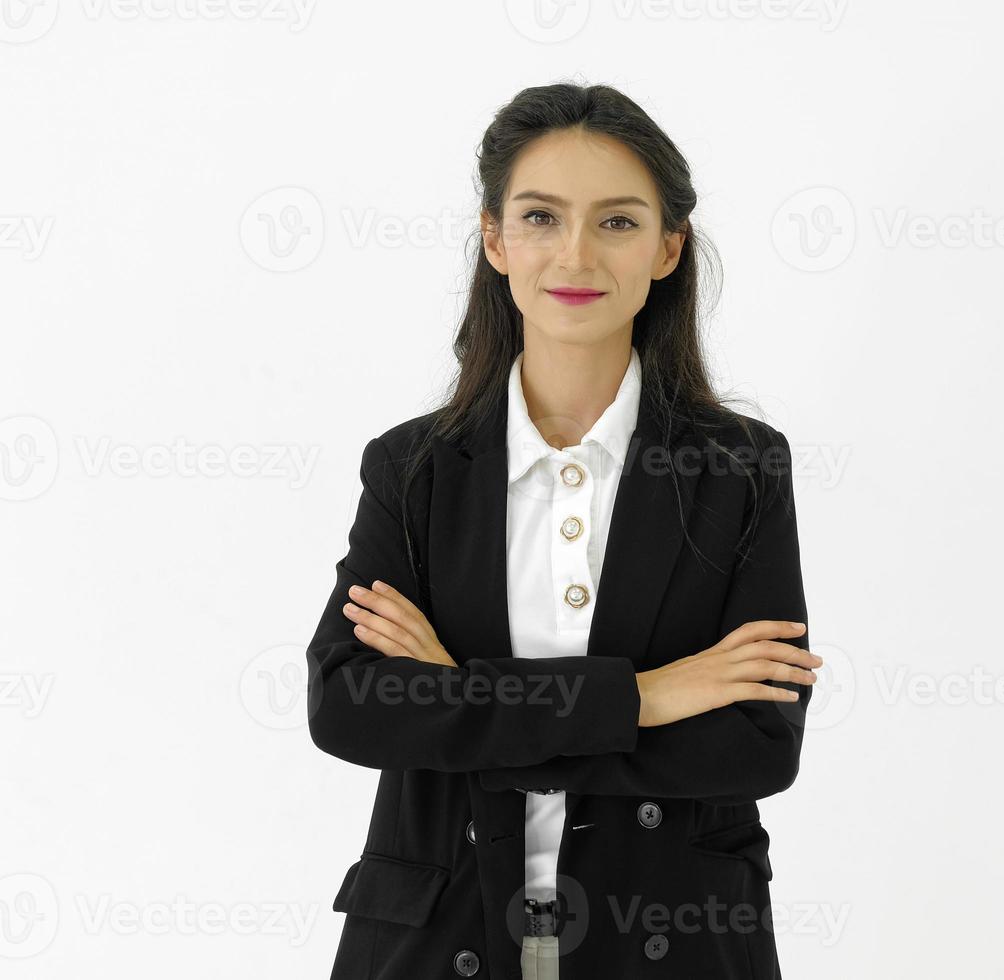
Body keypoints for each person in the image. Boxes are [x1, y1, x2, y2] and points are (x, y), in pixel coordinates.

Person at [306, 82, 819, 980]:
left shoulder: (739, 468)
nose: (575, 253)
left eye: (617, 222)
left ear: (668, 247)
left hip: (674, 942)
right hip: (438, 939)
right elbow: (350, 706)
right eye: (541, 217)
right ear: (496, 239)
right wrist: (646, 697)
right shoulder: (413, 467)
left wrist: (462, 697)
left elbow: (756, 741)